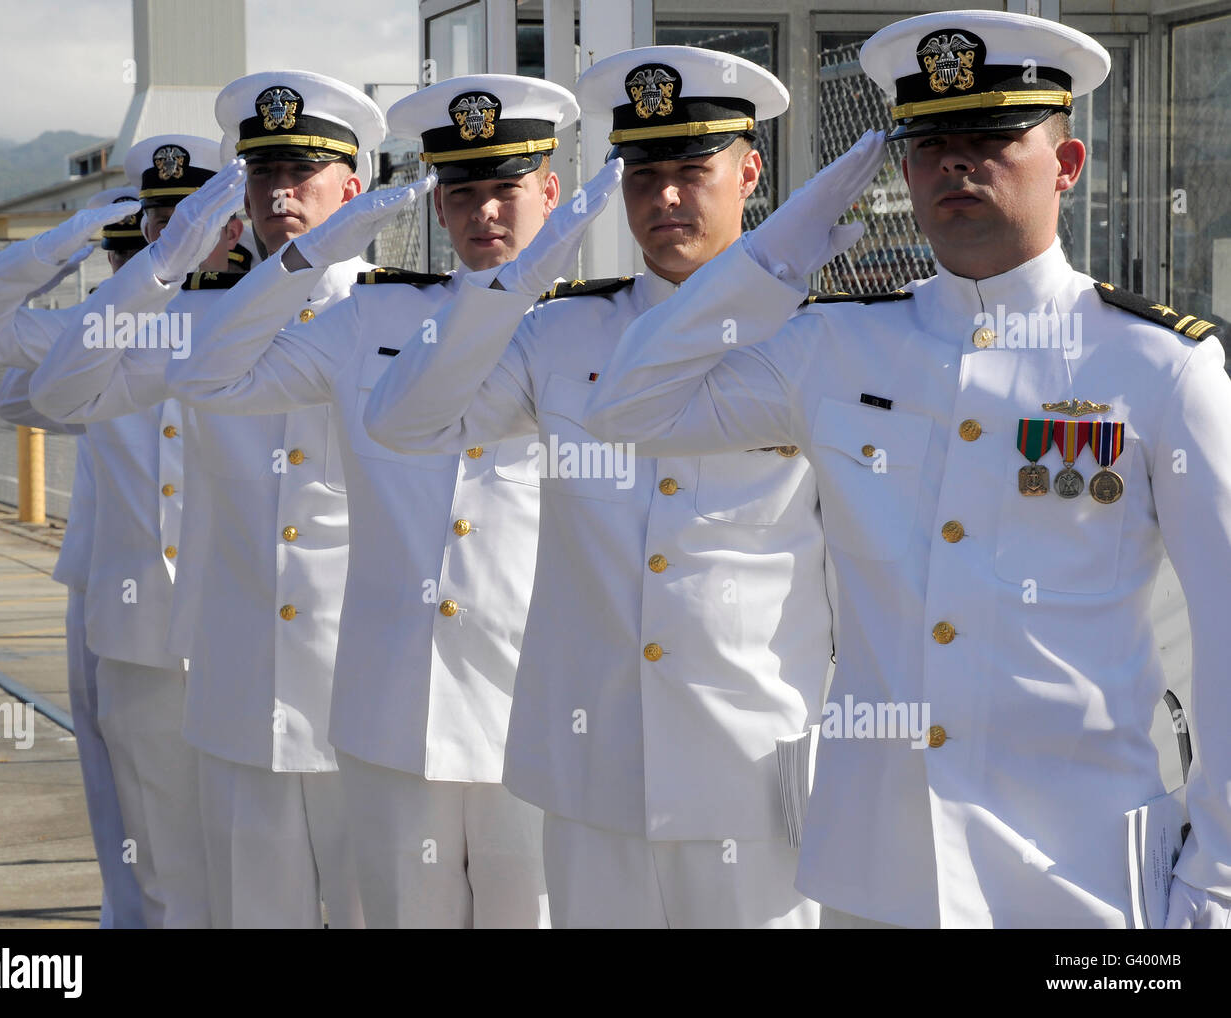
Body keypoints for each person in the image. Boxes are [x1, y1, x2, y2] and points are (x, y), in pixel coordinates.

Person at [583, 10, 1231, 928]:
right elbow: (624, 408)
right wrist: (776, 251)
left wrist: (1219, 879)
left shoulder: (1159, 367)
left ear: (1069, 165)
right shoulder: (839, 344)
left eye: (992, 139)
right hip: (881, 872)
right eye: (929, 145)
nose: (956, 165)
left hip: (1076, 877)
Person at [362, 46, 833, 929]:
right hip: (593, 777)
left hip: (755, 778)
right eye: (643, 174)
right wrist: (505, 290)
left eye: (693, 171)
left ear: (750, 173)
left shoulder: (819, 342)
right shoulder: (563, 333)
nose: (665, 199)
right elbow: (403, 422)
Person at [165, 73, 580, 928]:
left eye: (506, 190)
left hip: (529, 717)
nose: (485, 215)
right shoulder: (375, 321)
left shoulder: (591, 333)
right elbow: (208, 376)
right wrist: (304, 257)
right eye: (462, 194)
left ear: (551, 191)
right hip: (394, 720)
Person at [28, 72, 403, 929]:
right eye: (263, 174)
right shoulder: (197, 319)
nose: (281, 195)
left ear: (353, 188)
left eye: (302, 173)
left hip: (358, 693)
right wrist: (160, 265)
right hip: (238, 694)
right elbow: (57, 391)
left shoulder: (402, 316)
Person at [0, 185, 148, 928]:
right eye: (126, 247)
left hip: (219, 586)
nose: (138, 263)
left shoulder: (225, 324)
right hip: (104, 573)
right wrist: (62, 249)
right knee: (114, 775)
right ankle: (126, 915)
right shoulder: (97, 332)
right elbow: (9, 389)